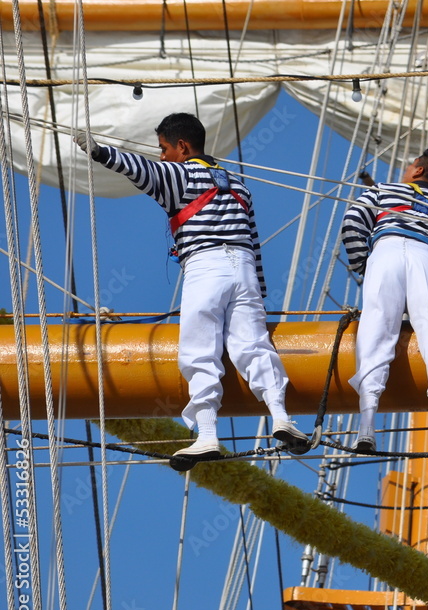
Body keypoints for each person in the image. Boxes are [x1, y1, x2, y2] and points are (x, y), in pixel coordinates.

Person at [74, 113, 309, 459]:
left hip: (206, 265)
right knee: (254, 345)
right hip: (243, 269)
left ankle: (208, 434)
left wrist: (99, 152)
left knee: (199, 350)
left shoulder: (182, 174)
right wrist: (257, 291)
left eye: (164, 148)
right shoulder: (238, 186)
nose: (162, 156)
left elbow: (141, 170)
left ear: (182, 147)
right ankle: (281, 416)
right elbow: (254, 244)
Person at [340, 148, 428, 460]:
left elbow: (352, 222)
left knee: (375, 331)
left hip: (384, 250)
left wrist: (364, 265)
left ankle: (367, 426)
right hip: (427, 257)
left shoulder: (382, 190)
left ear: (416, 170)